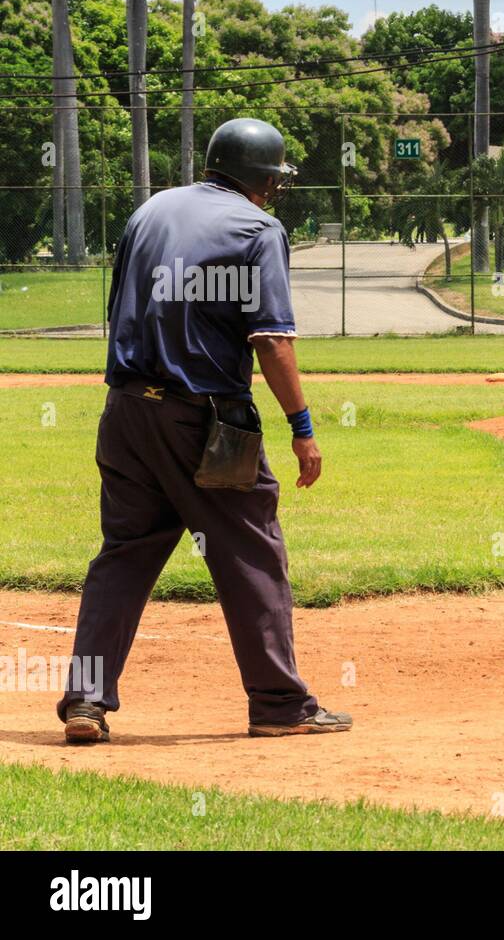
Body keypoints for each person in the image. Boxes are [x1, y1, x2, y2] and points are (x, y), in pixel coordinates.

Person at [58, 117, 352, 742]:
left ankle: (86, 701)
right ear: (263, 179)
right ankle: (279, 705)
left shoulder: (152, 210)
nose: (275, 191)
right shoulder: (258, 228)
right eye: (274, 179)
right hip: (205, 420)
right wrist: (302, 427)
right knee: (250, 553)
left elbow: (120, 310)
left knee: (125, 554)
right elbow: (271, 340)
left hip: (127, 411)